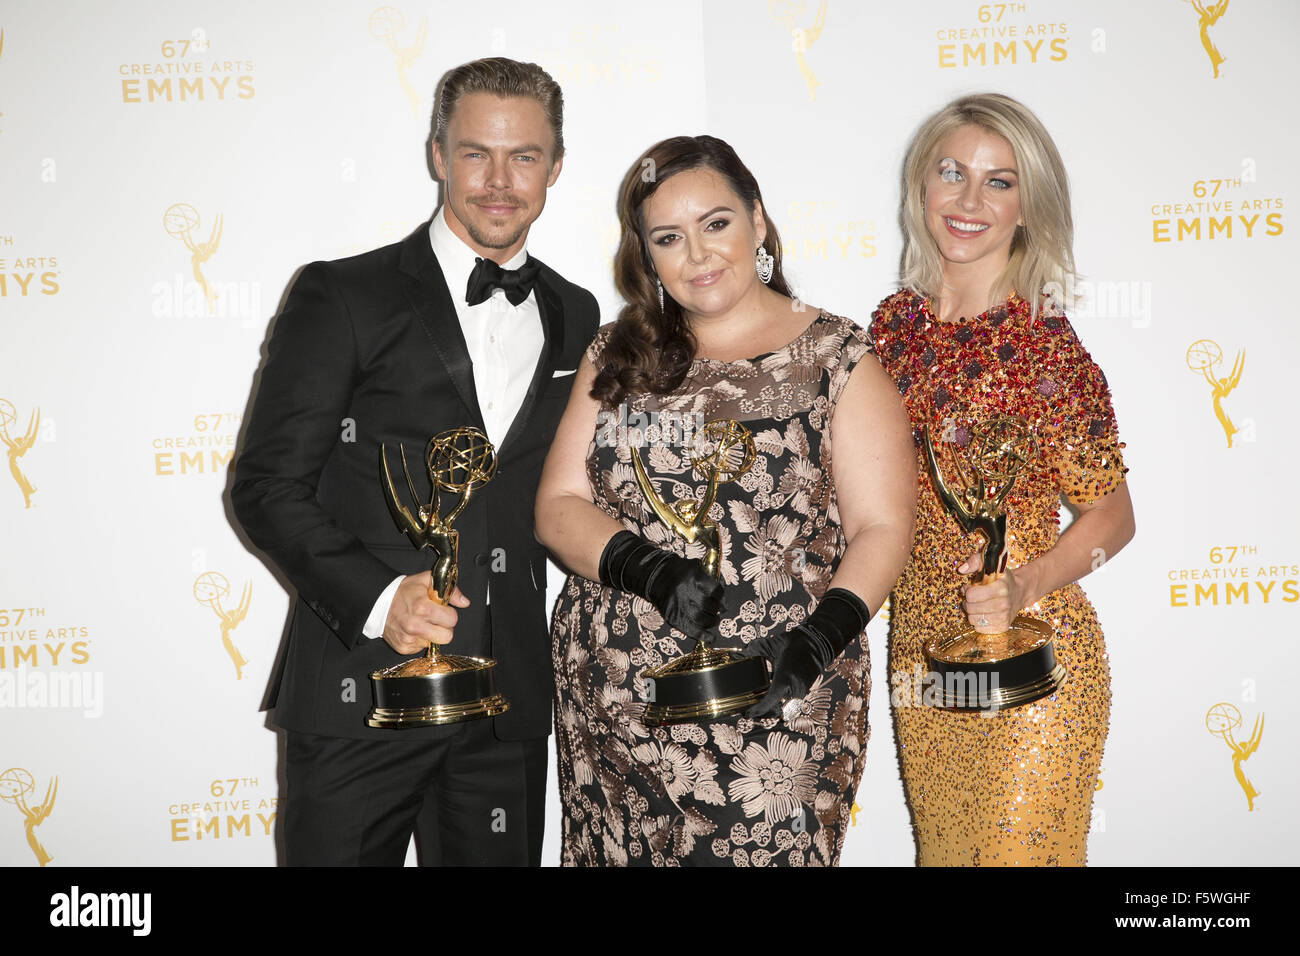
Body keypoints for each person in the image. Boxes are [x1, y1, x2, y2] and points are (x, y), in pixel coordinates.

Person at [230, 58, 599, 866]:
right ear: (437, 154)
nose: (499, 182)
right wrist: (376, 598)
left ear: (556, 166)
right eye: (475, 153)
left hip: (506, 711)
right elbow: (265, 486)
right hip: (358, 693)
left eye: (524, 156)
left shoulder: (576, 312)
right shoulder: (344, 295)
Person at [535, 135, 915, 866]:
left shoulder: (837, 356)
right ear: (647, 255)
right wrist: (646, 568)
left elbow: (882, 525)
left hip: (777, 705)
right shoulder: (616, 351)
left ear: (758, 221)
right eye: (668, 238)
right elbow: (557, 503)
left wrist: (821, 635)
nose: (699, 255)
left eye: (717, 223)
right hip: (616, 705)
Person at [871, 93, 1136, 866]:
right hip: (922, 663)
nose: (968, 199)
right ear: (921, 187)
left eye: (999, 181)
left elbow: (1113, 518)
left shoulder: (1043, 342)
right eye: (951, 173)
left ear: (1028, 207)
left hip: (1033, 666)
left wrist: (1023, 586)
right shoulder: (892, 329)